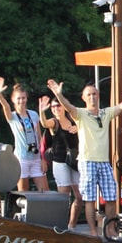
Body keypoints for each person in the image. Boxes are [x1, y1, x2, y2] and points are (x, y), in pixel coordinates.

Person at [47, 76, 122, 237]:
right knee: (89, 198)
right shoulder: (80, 114)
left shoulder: (105, 113)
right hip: (87, 161)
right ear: (84, 98)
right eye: (89, 95)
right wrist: (58, 94)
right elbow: (68, 106)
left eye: (94, 94)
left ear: (98, 96)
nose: (92, 97)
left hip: (104, 161)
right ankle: (93, 231)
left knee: (111, 196)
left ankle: (109, 229)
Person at [0, 77, 49, 192]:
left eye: (23, 98)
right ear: (13, 99)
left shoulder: (33, 115)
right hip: (21, 159)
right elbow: (5, 107)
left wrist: (43, 158)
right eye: (18, 98)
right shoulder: (12, 117)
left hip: (36, 158)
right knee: (23, 191)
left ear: (26, 98)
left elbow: (39, 137)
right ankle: (23, 210)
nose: (21, 101)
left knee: (45, 191)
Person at [40, 96, 82, 229]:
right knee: (64, 197)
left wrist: (78, 129)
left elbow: (86, 131)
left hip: (74, 162)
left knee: (80, 196)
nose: (56, 109)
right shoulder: (54, 122)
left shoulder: (73, 120)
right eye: (53, 107)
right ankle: (61, 225)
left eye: (58, 105)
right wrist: (41, 112)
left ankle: (72, 224)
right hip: (60, 162)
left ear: (64, 106)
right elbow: (45, 124)